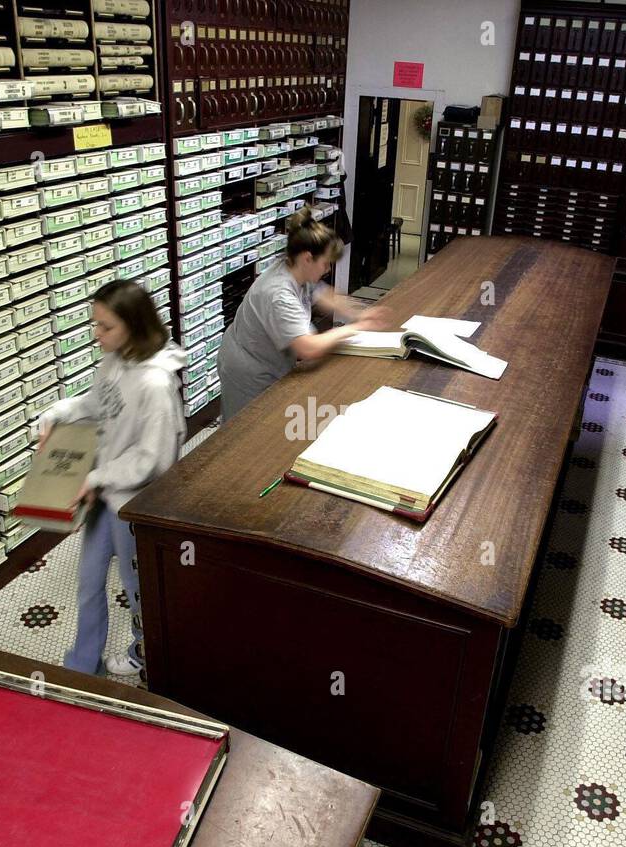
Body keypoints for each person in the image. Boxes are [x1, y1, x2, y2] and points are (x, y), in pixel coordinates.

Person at [35, 280, 186, 679]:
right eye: (95, 325)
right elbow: (95, 404)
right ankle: (83, 666)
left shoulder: (155, 384)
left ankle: (148, 651)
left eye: (105, 327)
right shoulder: (116, 360)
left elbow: (152, 459)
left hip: (135, 504)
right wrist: (56, 414)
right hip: (105, 494)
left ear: (133, 326)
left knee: (138, 589)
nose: (95, 334)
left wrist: (98, 476)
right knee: (88, 583)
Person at [216, 206, 399, 421]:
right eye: (326, 263)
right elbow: (308, 348)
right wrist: (354, 328)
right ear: (307, 258)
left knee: (269, 422)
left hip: (268, 361)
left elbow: (326, 296)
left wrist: (360, 312)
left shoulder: (297, 272)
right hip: (248, 369)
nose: (328, 269)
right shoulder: (279, 293)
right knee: (242, 433)